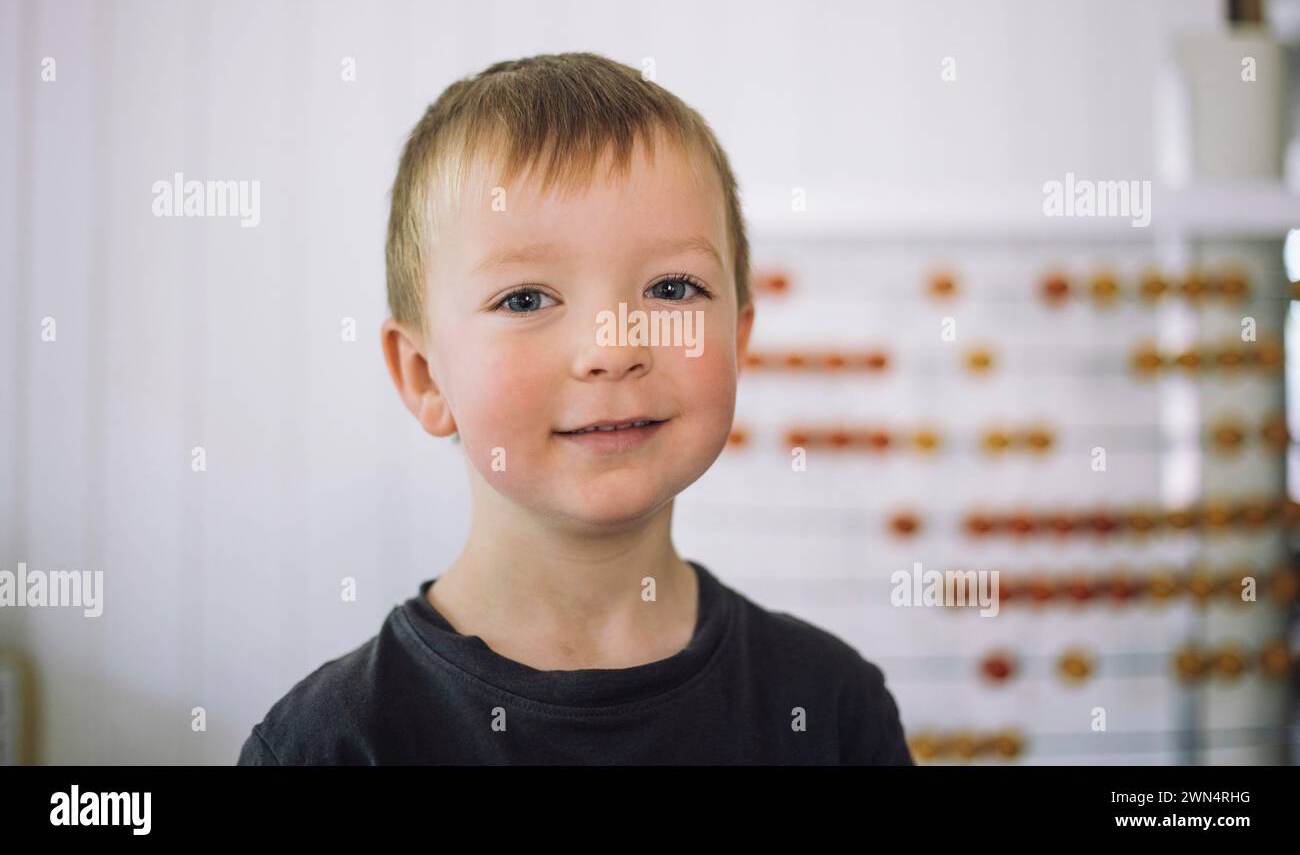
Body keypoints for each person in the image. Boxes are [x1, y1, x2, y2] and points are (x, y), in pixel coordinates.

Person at [237, 52, 912, 765]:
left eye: (674, 290)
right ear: (425, 377)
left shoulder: (832, 705)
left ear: (736, 339)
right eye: (526, 299)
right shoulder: (330, 746)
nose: (614, 349)